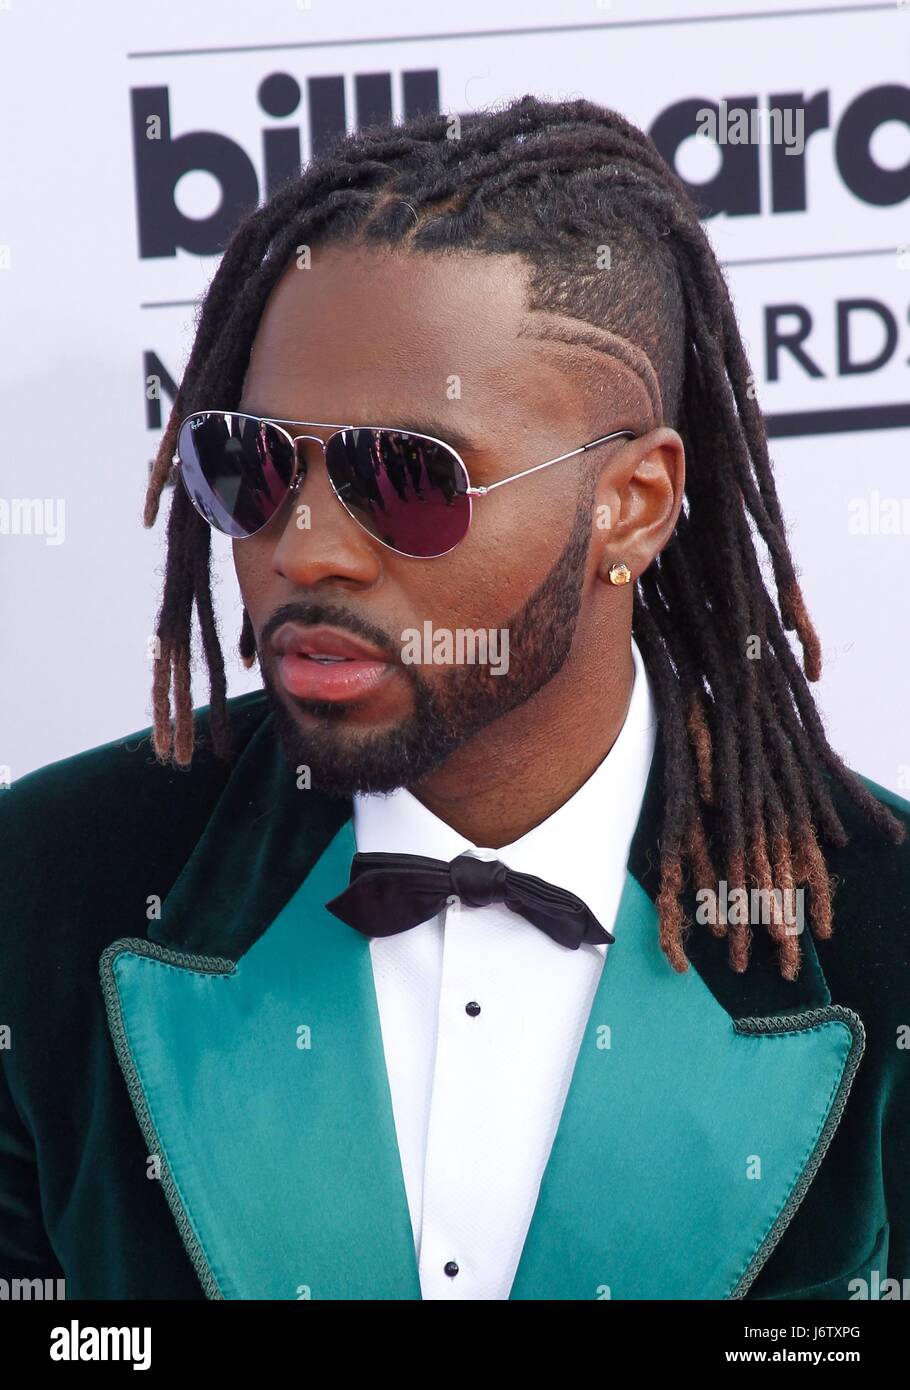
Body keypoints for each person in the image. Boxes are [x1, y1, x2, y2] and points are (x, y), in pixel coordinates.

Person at [1, 94, 907, 1302]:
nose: (305, 547)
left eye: (406, 475)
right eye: (254, 463)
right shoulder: (49, 888)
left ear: (629, 506)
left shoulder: (884, 935)